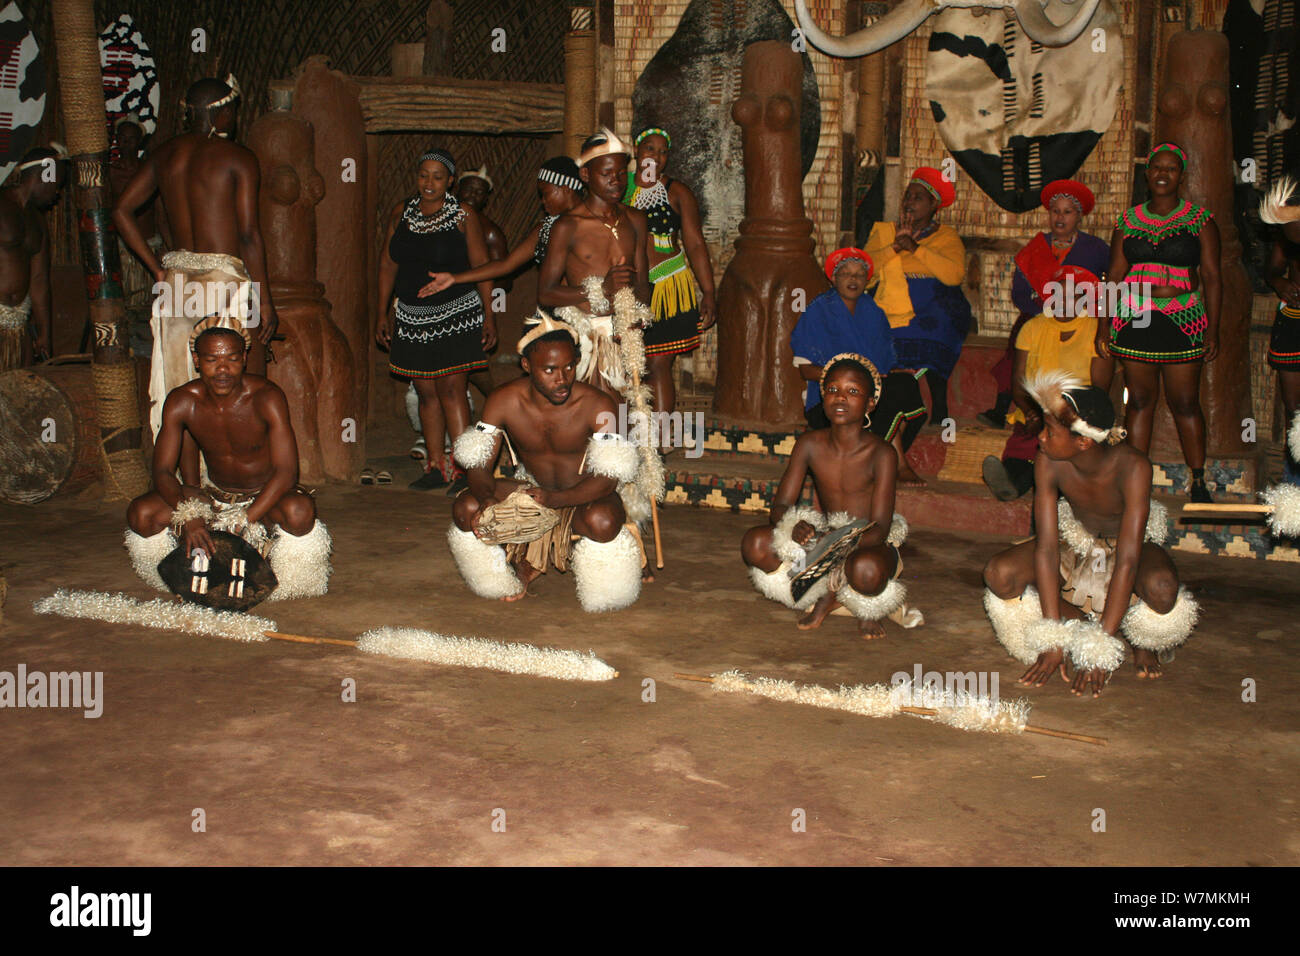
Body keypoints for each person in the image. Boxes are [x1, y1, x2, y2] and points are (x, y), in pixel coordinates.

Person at [983, 370, 1197, 696]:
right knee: (998, 573)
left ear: (1083, 441)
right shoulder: (1048, 460)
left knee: (1163, 589)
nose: (1040, 437)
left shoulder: (1133, 466)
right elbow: (1047, 549)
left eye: (1050, 431)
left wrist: (1099, 650)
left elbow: (1127, 560)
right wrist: (1052, 638)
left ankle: (1139, 638)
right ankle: (1080, 631)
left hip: (1130, 549)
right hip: (1078, 541)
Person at [113, 76, 280, 439]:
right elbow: (250, 234)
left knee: (182, 381)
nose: (235, 117)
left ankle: (184, 479)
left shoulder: (164, 154)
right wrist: (263, 299)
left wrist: (156, 268)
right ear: (220, 113)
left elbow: (121, 210)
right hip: (226, 284)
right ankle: (236, 472)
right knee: (245, 379)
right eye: (233, 109)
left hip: (176, 285)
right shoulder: (238, 157)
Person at [447, 316, 644, 612]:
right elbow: (477, 465)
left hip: (581, 497)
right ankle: (501, 576)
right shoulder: (503, 400)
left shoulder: (599, 404)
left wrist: (556, 499)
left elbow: (608, 479)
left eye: (569, 367)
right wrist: (488, 500)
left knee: (602, 521)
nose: (562, 378)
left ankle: (592, 582)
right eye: (550, 370)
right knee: (467, 509)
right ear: (527, 366)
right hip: (531, 493)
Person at [124, 322, 332, 601]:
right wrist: (190, 514)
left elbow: (286, 472)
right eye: (211, 360)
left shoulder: (266, 397)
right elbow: (161, 471)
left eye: (232, 359)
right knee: (141, 513)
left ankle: (289, 582)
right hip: (212, 495)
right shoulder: (182, 401)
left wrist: (248, 517)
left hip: (264, 497)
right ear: (197, 360)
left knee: (299, 511)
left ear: (244, 358)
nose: (223, 369)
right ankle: (173, 575)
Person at [741, 355, 923, 639]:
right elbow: (780, 506)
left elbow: (880, 527)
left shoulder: (882, 453)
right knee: (755, 543)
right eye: (832, 390)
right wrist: (795, 524)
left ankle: (859, 605)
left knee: (865, 569)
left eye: (853, 392)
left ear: (870, 404)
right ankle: (836, 593)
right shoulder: (809, 444)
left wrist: (835, 546)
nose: (840, 398)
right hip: (823, 541)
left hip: (868, 544)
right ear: (823, 397)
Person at [1100, 142, 1221, 503]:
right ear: (1147, 173)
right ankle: (1135, 481)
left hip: (1184, 319)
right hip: (1134, 317)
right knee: (1138, 400)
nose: (1162, 174)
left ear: (1181, 176)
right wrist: (1103, 324)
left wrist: (1213, 328)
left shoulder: (1200, 221)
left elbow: (1213, 276)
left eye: (1170, 169)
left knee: (1184, 401)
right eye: (1156, 168)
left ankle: (1198, 480)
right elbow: (1114, 274)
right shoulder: (1129, 220)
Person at [376, 147, 496, 491]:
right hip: (412, 314)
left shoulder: (463, 215)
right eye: (423, 175)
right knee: (425, 390)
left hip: (457, 313)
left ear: (451, 181)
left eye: (438, 177)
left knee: (452, 389)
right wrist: (382, 311)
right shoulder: (402, 213)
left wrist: (490, 315)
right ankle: (435, 467)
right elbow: (388, 264)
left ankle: (463, 469)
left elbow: (482, 266)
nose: (429, 183)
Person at [790, 248, 929, 486]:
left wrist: (889, 373)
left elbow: (884, 364)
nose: (853, 279)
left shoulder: (873, 312)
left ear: (867, 281)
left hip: (867, 396)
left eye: (859, 275)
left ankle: (881, 461)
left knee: (903, 385)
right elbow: (806, 370)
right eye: (845, 273)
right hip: (830, 400)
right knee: (867, 398)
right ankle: (896, 464)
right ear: (833, 278)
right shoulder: (818, 310)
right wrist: (850, 381)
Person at [978, 180, 1111, 428]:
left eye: (1067, 212)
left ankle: (1089, 411)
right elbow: (1019, 294)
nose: (1060, 218)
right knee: (1022, 337)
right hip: (1041, 314)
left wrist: (1087, 313)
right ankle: (1007, 405)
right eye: (1055, 211)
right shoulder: (1035, 249)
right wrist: (1048, 313)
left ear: (1079, 215)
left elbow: (1111, 284)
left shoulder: (1096, 249)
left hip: (1083, 318)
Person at [982, 266, 1113, 501]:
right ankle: (1011, 482)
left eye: (1071, 296)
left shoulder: (1096, 331)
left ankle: (1057, 489)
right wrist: (1032, 411)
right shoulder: (1033, 327)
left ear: (1083, 299)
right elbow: (1018, 382)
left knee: (1060, 441)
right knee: (1028, 439)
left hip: (1077, 413)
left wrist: (1064, 415)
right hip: (1038, 406)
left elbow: (1099, 391)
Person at [404, 163, 505, 468]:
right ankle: (436, 457)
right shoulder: (414, 215)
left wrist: (485, 307)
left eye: (479, 191)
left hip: (463, 314)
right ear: (456, 187)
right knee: (424, 388)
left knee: (460, 388)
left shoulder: (484, 229)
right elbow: (394, 262)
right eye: (468, 189)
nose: (473, 195)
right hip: (422, 315)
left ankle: (467, 462)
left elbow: (499, 270)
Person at [537, 128, 650, 398]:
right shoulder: (568, 225)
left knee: (622, 417)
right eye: (606, 173)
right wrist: (601, 289)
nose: (617, 181)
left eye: (622, 173)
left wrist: (635, 319)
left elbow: (643, 282)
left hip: (625, 334)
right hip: (586, 337)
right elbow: (546, 293)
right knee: (595, 419)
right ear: (586, 175)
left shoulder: (635, 220)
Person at [863, 167, 971, 425]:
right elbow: (865, 271)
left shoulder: (946, 236)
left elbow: (954, 275)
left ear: (934, 204)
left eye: (918, 197)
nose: (910, 202)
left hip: (934, 302)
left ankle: (939, 404)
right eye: (907, 196)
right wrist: (895, 247)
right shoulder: (885, 231)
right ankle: (891, 407)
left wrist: (916, 249)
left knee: (940, 323)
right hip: (890, 302)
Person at [623, 127, 717, 421]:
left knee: (658, 361)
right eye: (650, 149)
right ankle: (627, 436)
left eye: (663, 152)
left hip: (669, 284)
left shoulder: (677, 191)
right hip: (628, 285)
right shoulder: (618, 188)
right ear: (636, 152)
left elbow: (695, 243)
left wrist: (709, 291)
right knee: (628, 365)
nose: (657, 156)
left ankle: (660, 436)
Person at [0, 146, 67, 369]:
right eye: (57, 184)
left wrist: (44, 332)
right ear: (45, 174)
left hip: (17, 323)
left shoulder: (37, 221)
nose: (57, 193)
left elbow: (39, 281)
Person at [109, 115, 166, 356]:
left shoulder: (149, 171)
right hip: (122, 246)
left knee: (148, 303)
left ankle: (148, 351)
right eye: (122, 138)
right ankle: (127, 350)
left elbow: (161, 211)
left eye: (132, 139)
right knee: (125, 303)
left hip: (149, 245)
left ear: (139, 142)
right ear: (116, 141)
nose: (126, 143)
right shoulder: (110, 172)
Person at [1265, 225, 1300, 486]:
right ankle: (1294, 480)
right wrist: (1280, 282)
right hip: (1294, 319)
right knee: (1294, 409)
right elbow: (1273, 270)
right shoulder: (1289, 231)